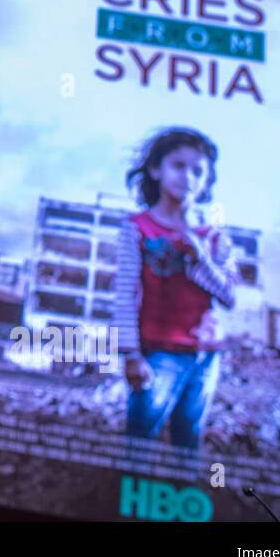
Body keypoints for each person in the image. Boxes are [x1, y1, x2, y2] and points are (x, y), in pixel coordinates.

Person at [113, 126, 240, 450]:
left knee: (189, 439)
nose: (188, 176)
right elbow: (124, 296)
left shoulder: (214, 236)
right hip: (158, 354)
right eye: (178, 165)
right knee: (140, 437)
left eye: (198, 170)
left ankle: (183, 493)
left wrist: (200, 258)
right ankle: (133, 497)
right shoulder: (136, 228)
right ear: (156, 169)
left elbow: (229, 295)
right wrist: (130, 355)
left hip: (207, 356)